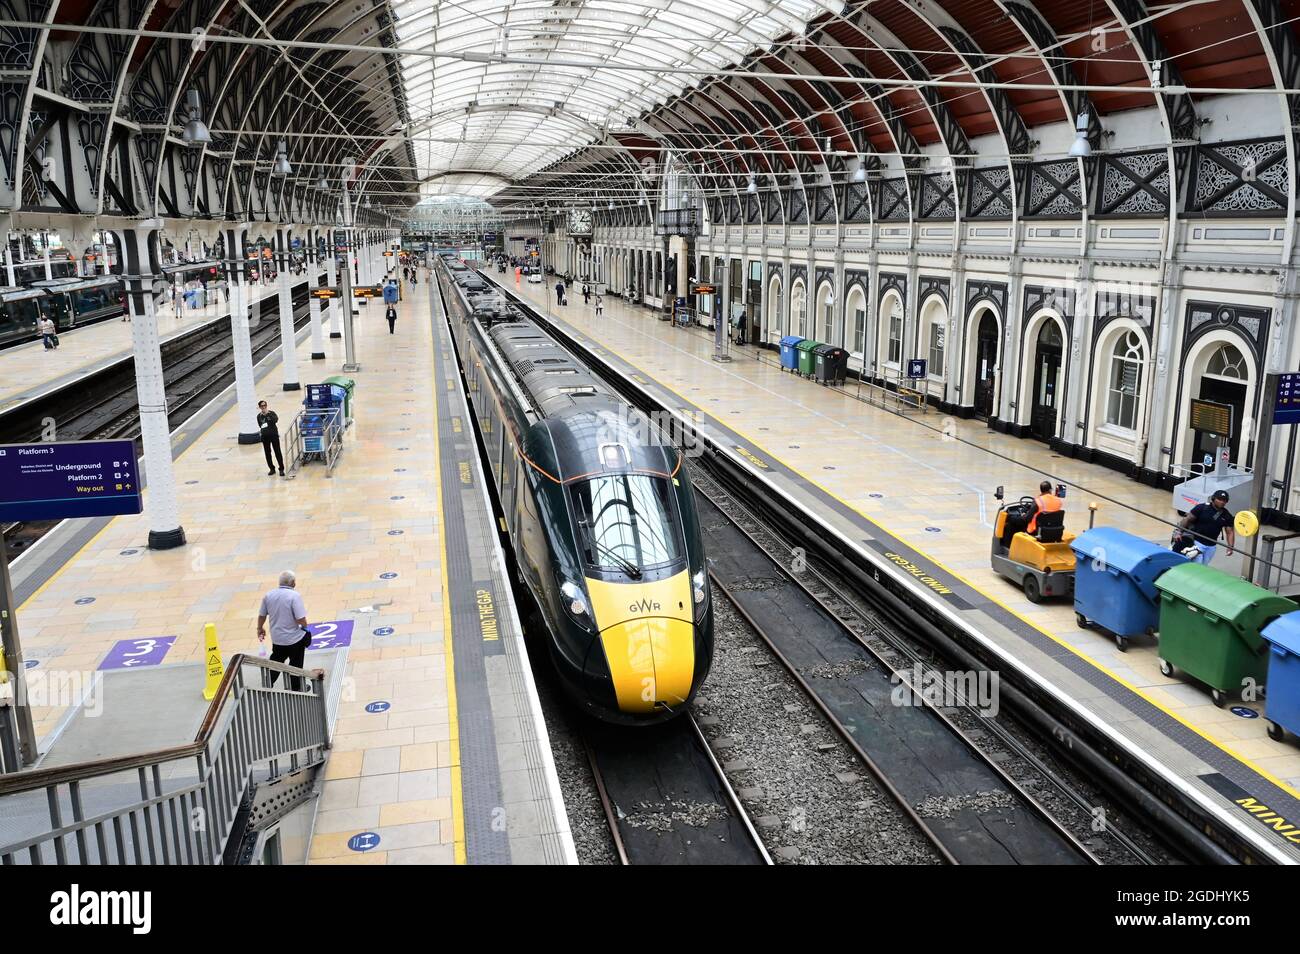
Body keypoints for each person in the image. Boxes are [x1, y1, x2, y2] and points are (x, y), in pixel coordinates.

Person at [257, 571, 310, 689]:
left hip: (277, 638)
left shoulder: (269, 595)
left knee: (277, 660)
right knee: (296, 664)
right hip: (294, 639)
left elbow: (262, 615)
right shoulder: (294, 596)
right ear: (292, 583)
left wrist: (260, 628)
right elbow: (301, 619)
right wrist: (306, 629)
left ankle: (268, 682)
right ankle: (296, 688)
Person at [1179, 489, 1236, 565]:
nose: (1222, 502)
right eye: (1219, 499)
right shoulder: (1201, 507)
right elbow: (1187, 519)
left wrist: (1230, 547)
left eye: (1224, 500)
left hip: (1211, 546)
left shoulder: (1227, 515)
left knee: (1203, 566)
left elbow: (1230, 532)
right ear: (1213, 499)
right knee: (1197, 565)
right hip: (1196, 543)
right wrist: (1178, 532)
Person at [257, 400, 285, 476]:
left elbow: (275, 420)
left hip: (274, 436)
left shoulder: (271, 413)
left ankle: (281, 468)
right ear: (260, 407)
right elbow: (260, 425)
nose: (263, 407)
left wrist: (267, 415)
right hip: (265, 437)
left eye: (265, 405)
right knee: (267, 453)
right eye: (262, 406)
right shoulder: (259, 416)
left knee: (277, 452)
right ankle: (271, 468)